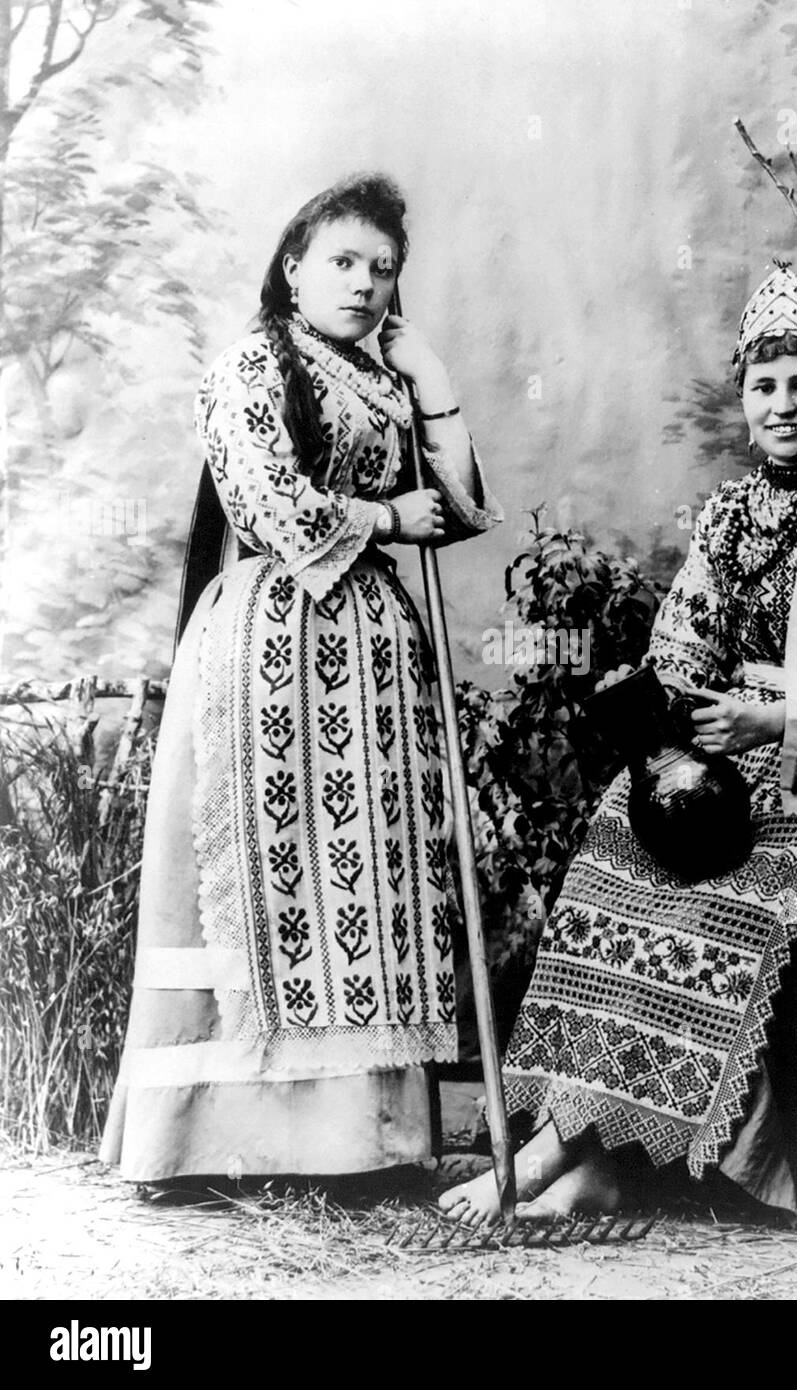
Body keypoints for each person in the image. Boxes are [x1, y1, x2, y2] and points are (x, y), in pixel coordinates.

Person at [440, 265, 797, 1225]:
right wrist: (678, 731)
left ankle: (564, 1157)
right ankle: (592, 1149)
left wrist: (777, 718)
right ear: (742, 399)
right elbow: (681, 652)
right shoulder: (728, 512)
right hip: (730, 757)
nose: (783, 404)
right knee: (616, 852)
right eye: (764, 385)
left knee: (736, 895)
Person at [101, 173, 502, 1181]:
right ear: (293, 265)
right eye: (344, 262)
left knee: (363, 873)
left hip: (367, 653)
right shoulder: (253, 364)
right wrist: (379, 516)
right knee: (267, 867)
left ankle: (361, 1142)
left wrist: (434, 380)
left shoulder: (383, 379)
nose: (366, 284)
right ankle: (214, 1141)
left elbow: (458, 511)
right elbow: (270, 499)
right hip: (268, 644)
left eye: (384, 269)